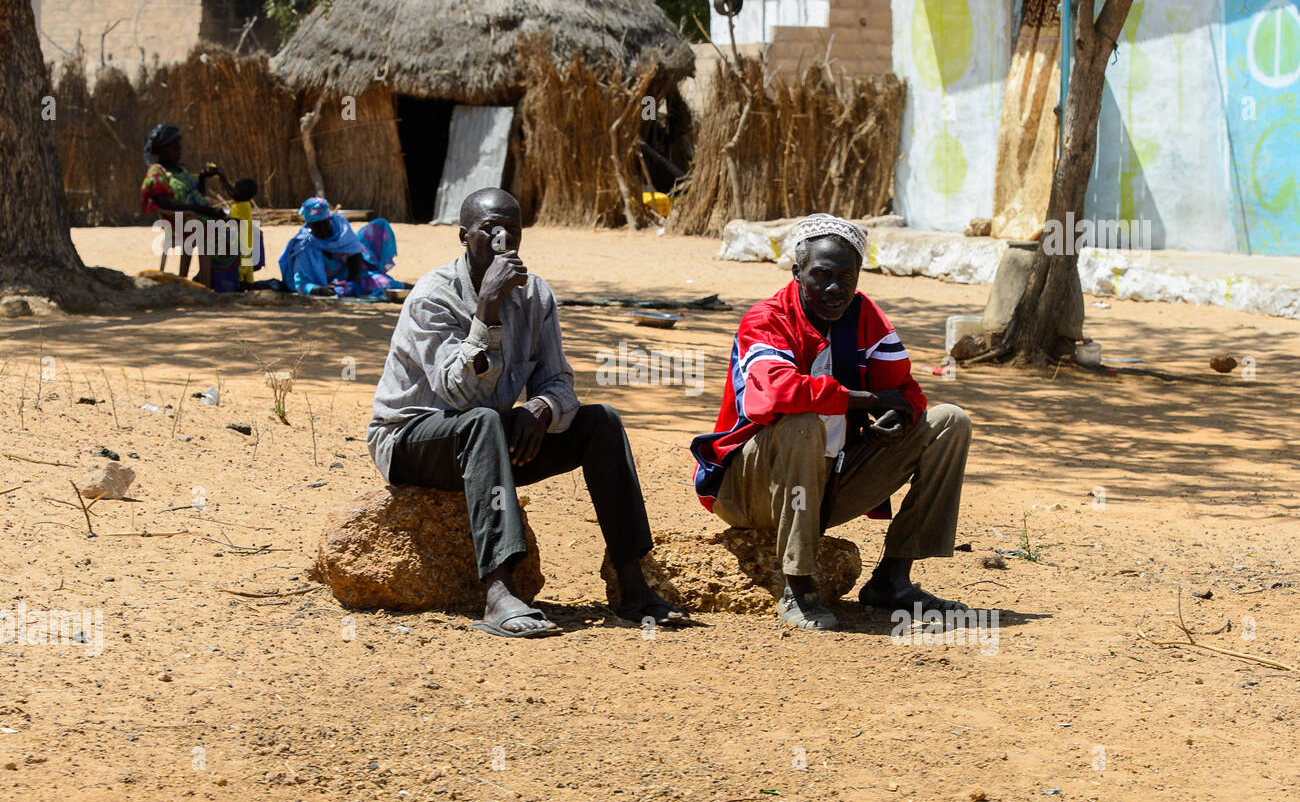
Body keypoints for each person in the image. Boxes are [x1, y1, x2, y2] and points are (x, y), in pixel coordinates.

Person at [367, 188, 684, 638]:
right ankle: (498, 593)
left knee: (602, 422)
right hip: (410, 439)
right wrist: (487, 309)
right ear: (463, 236)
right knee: (483, 422)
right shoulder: (432, 296)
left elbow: (559, 382)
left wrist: (541, 408)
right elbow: (456, 394)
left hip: (486, 442)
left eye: (511, 230)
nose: (501, 239)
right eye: (489, 229)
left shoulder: (535, 295)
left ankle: (632, 584)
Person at [690, 213, 973, 631]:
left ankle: (892, 581)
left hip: (828, 485)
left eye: (846, 276)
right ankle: (798, 587)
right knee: (802, 421)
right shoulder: (767, 318)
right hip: (750, 490)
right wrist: (867, 400)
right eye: (821, 275)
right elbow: (779, 393)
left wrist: (897, 414)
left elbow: (905, 389)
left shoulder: (863, 317)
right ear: (797, 271)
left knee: (950, 422)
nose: (834, 288)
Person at [140, 124, 228, 287]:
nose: (178, 150)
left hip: (198, 218)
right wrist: (205, 210)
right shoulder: (157, 171)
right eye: (174, 147)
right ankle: (206, 286)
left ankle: (227, 281)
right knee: (207, 233)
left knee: (241, 231)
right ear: (162, 149)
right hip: (179, 222)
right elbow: (167, 203)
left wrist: (202, 177)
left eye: (178, 147)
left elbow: (197, 195)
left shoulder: (181, 169)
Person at [277, 197, 403, 297]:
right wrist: (319, 290)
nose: (322, 229)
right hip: (327, 281)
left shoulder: (340, 227)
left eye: (324, 224)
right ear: (309, 224)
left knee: (389, 284)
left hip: (352, 275)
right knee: (307, 244)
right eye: (316, 225)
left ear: (329, 220)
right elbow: (302, 282)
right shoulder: (308, 240)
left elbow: (355, 254)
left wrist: (352, 283)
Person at [226, 178, 265, 291]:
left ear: (242, 194)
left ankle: (241, 287)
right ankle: (248, 286)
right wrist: (221, 176)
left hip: (241, 245)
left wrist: (221, 219)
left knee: (240, 268)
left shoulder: (241, 206)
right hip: (246, 243)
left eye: (236, 189)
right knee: (247, 269)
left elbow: (234, 222)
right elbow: (231, 192)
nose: (233, 191)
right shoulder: (243, 202)